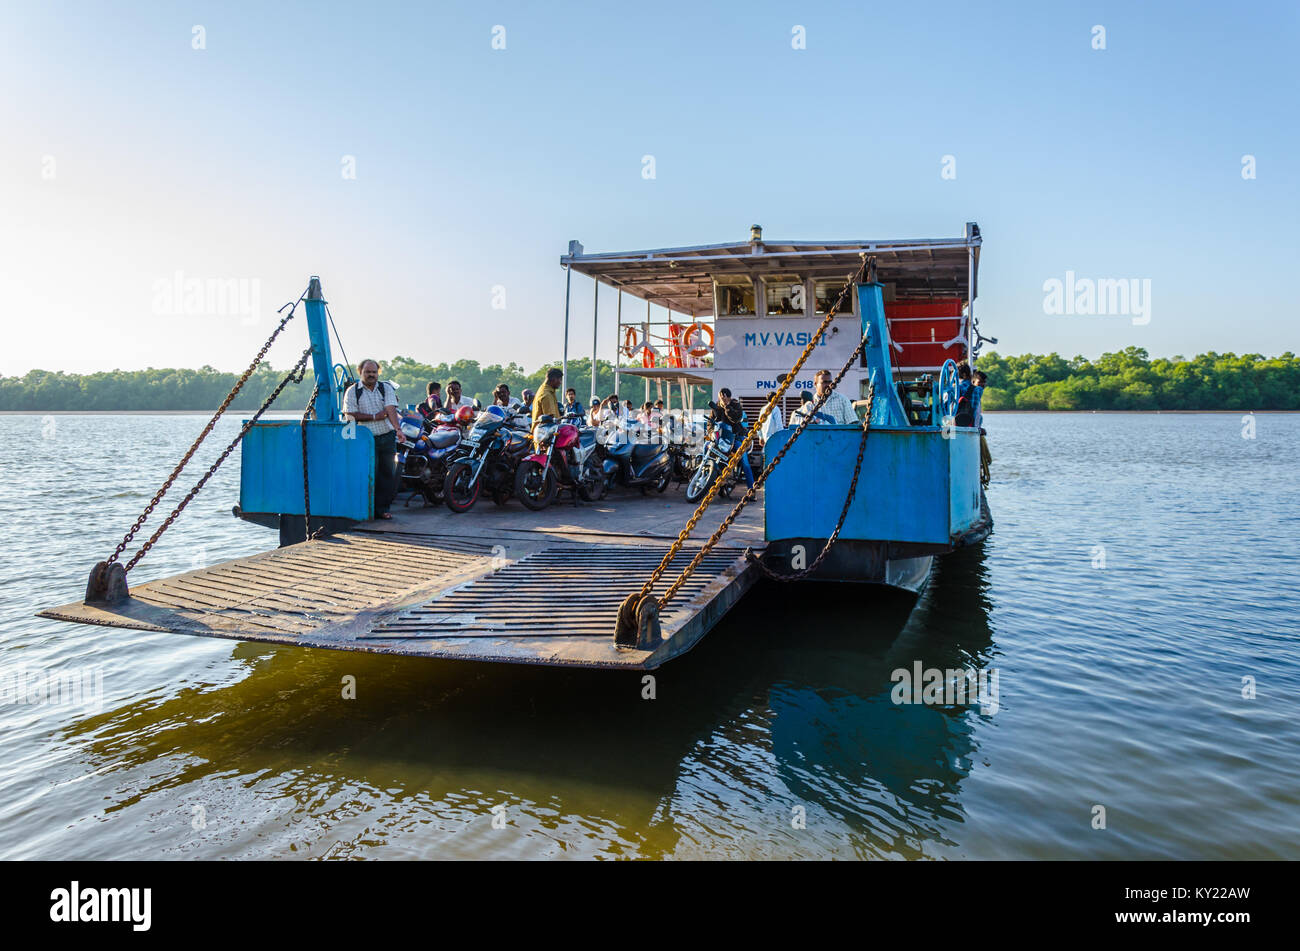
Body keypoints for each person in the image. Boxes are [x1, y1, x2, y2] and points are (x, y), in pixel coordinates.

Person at [344, 358, 405, 520]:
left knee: (387, 474)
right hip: (365, 439)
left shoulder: (385, 388)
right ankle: (366, 509)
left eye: (374, 372)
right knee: (369, 473)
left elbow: (390, 409)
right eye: (367, 372)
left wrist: (398, 430)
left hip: (386, 436)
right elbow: (350, 414)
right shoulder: (352, 391)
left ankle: (382, 509)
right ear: (360, 372)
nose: (371, 375)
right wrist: (375, 416)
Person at [707, 387, 754, 488]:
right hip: (721, 438)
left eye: (724, 398)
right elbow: (710, 422)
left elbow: (735, 419)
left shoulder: (736, 405)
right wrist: (711, 432)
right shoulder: (716, 405)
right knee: (706, 446)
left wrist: (727, 406)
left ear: (729, 398)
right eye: (720, 397)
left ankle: (751, 490)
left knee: (745, 462)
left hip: (736, 437)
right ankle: (704, 472)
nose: (721, 400)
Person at [791, 369, 857, 425]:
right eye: (824, 382)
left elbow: (853, 424)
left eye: (830, 382)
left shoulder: (843, 400)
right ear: (815, 384)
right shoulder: (809, 405)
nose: (828, 385)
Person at [531, 367, 562, 439]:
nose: (560, 382)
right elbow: (550, 418)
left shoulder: (544, 390)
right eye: (559, 379)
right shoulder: (546, 394)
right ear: (553, 379)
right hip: (545, 436)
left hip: (540, 435)